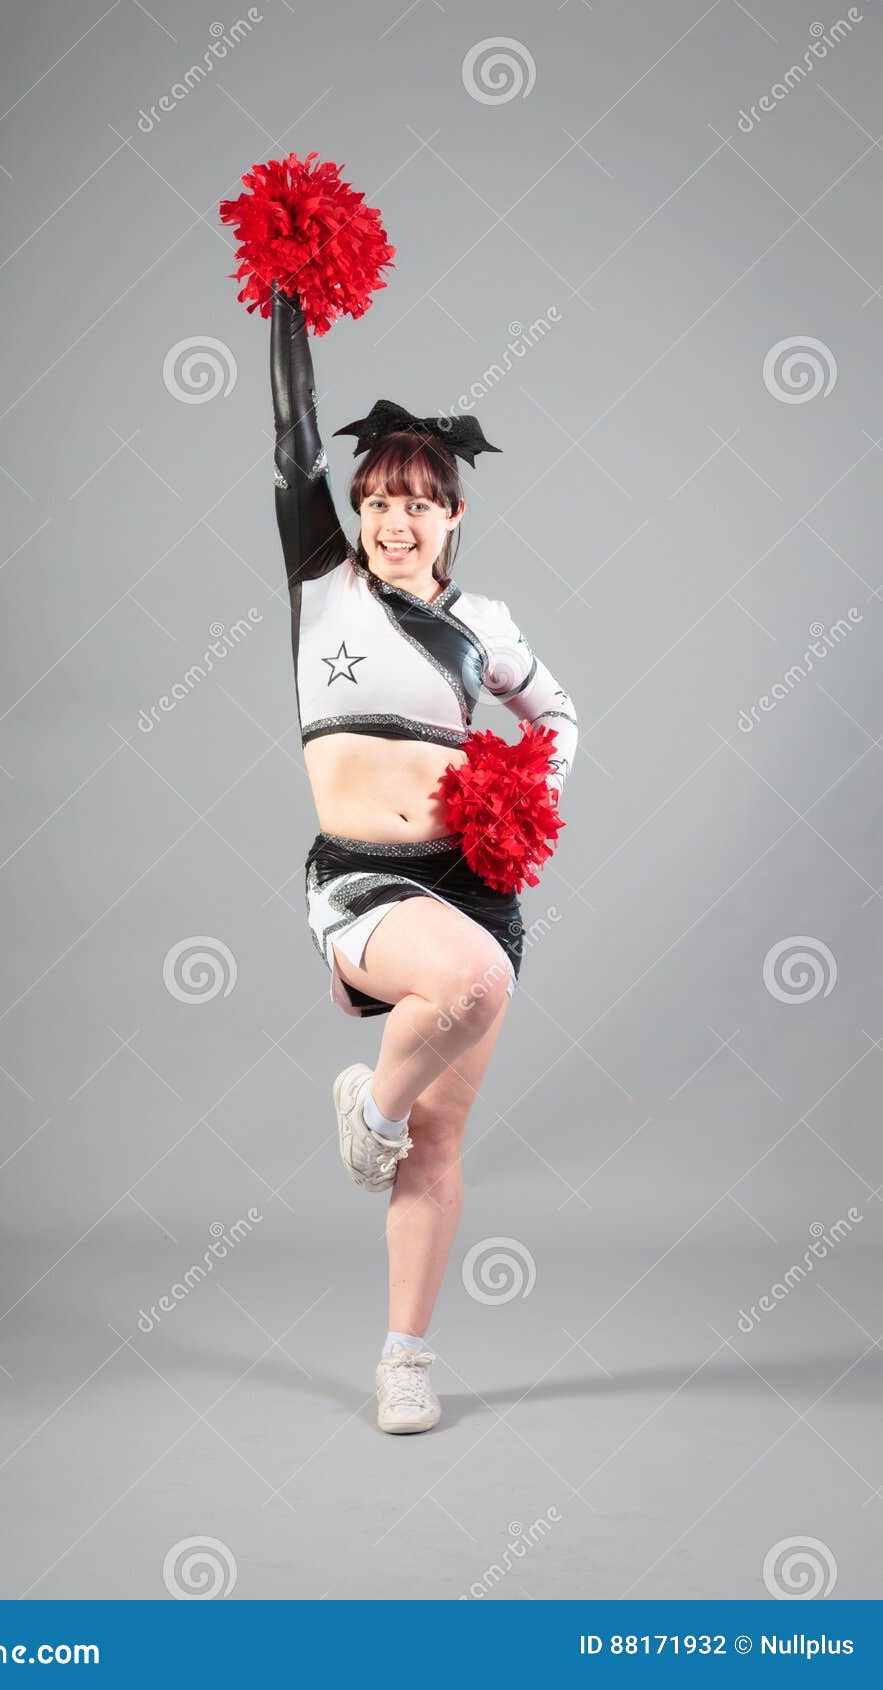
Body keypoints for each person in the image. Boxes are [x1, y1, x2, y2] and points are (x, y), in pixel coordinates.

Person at [268, 282, 579, 1433]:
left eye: (419, 503)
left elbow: (559, 721)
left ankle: (404, 1357)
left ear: (453, 517)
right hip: (360, 878)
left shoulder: (485, 622)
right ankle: (371, 1108)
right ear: (353, 508)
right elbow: (288, 436)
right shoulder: (320, 587)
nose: (395, 521)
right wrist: (289, 288)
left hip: (471, 885)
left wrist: (520, 793)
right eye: (378, 500)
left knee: (442, 1136)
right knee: (468, 988)